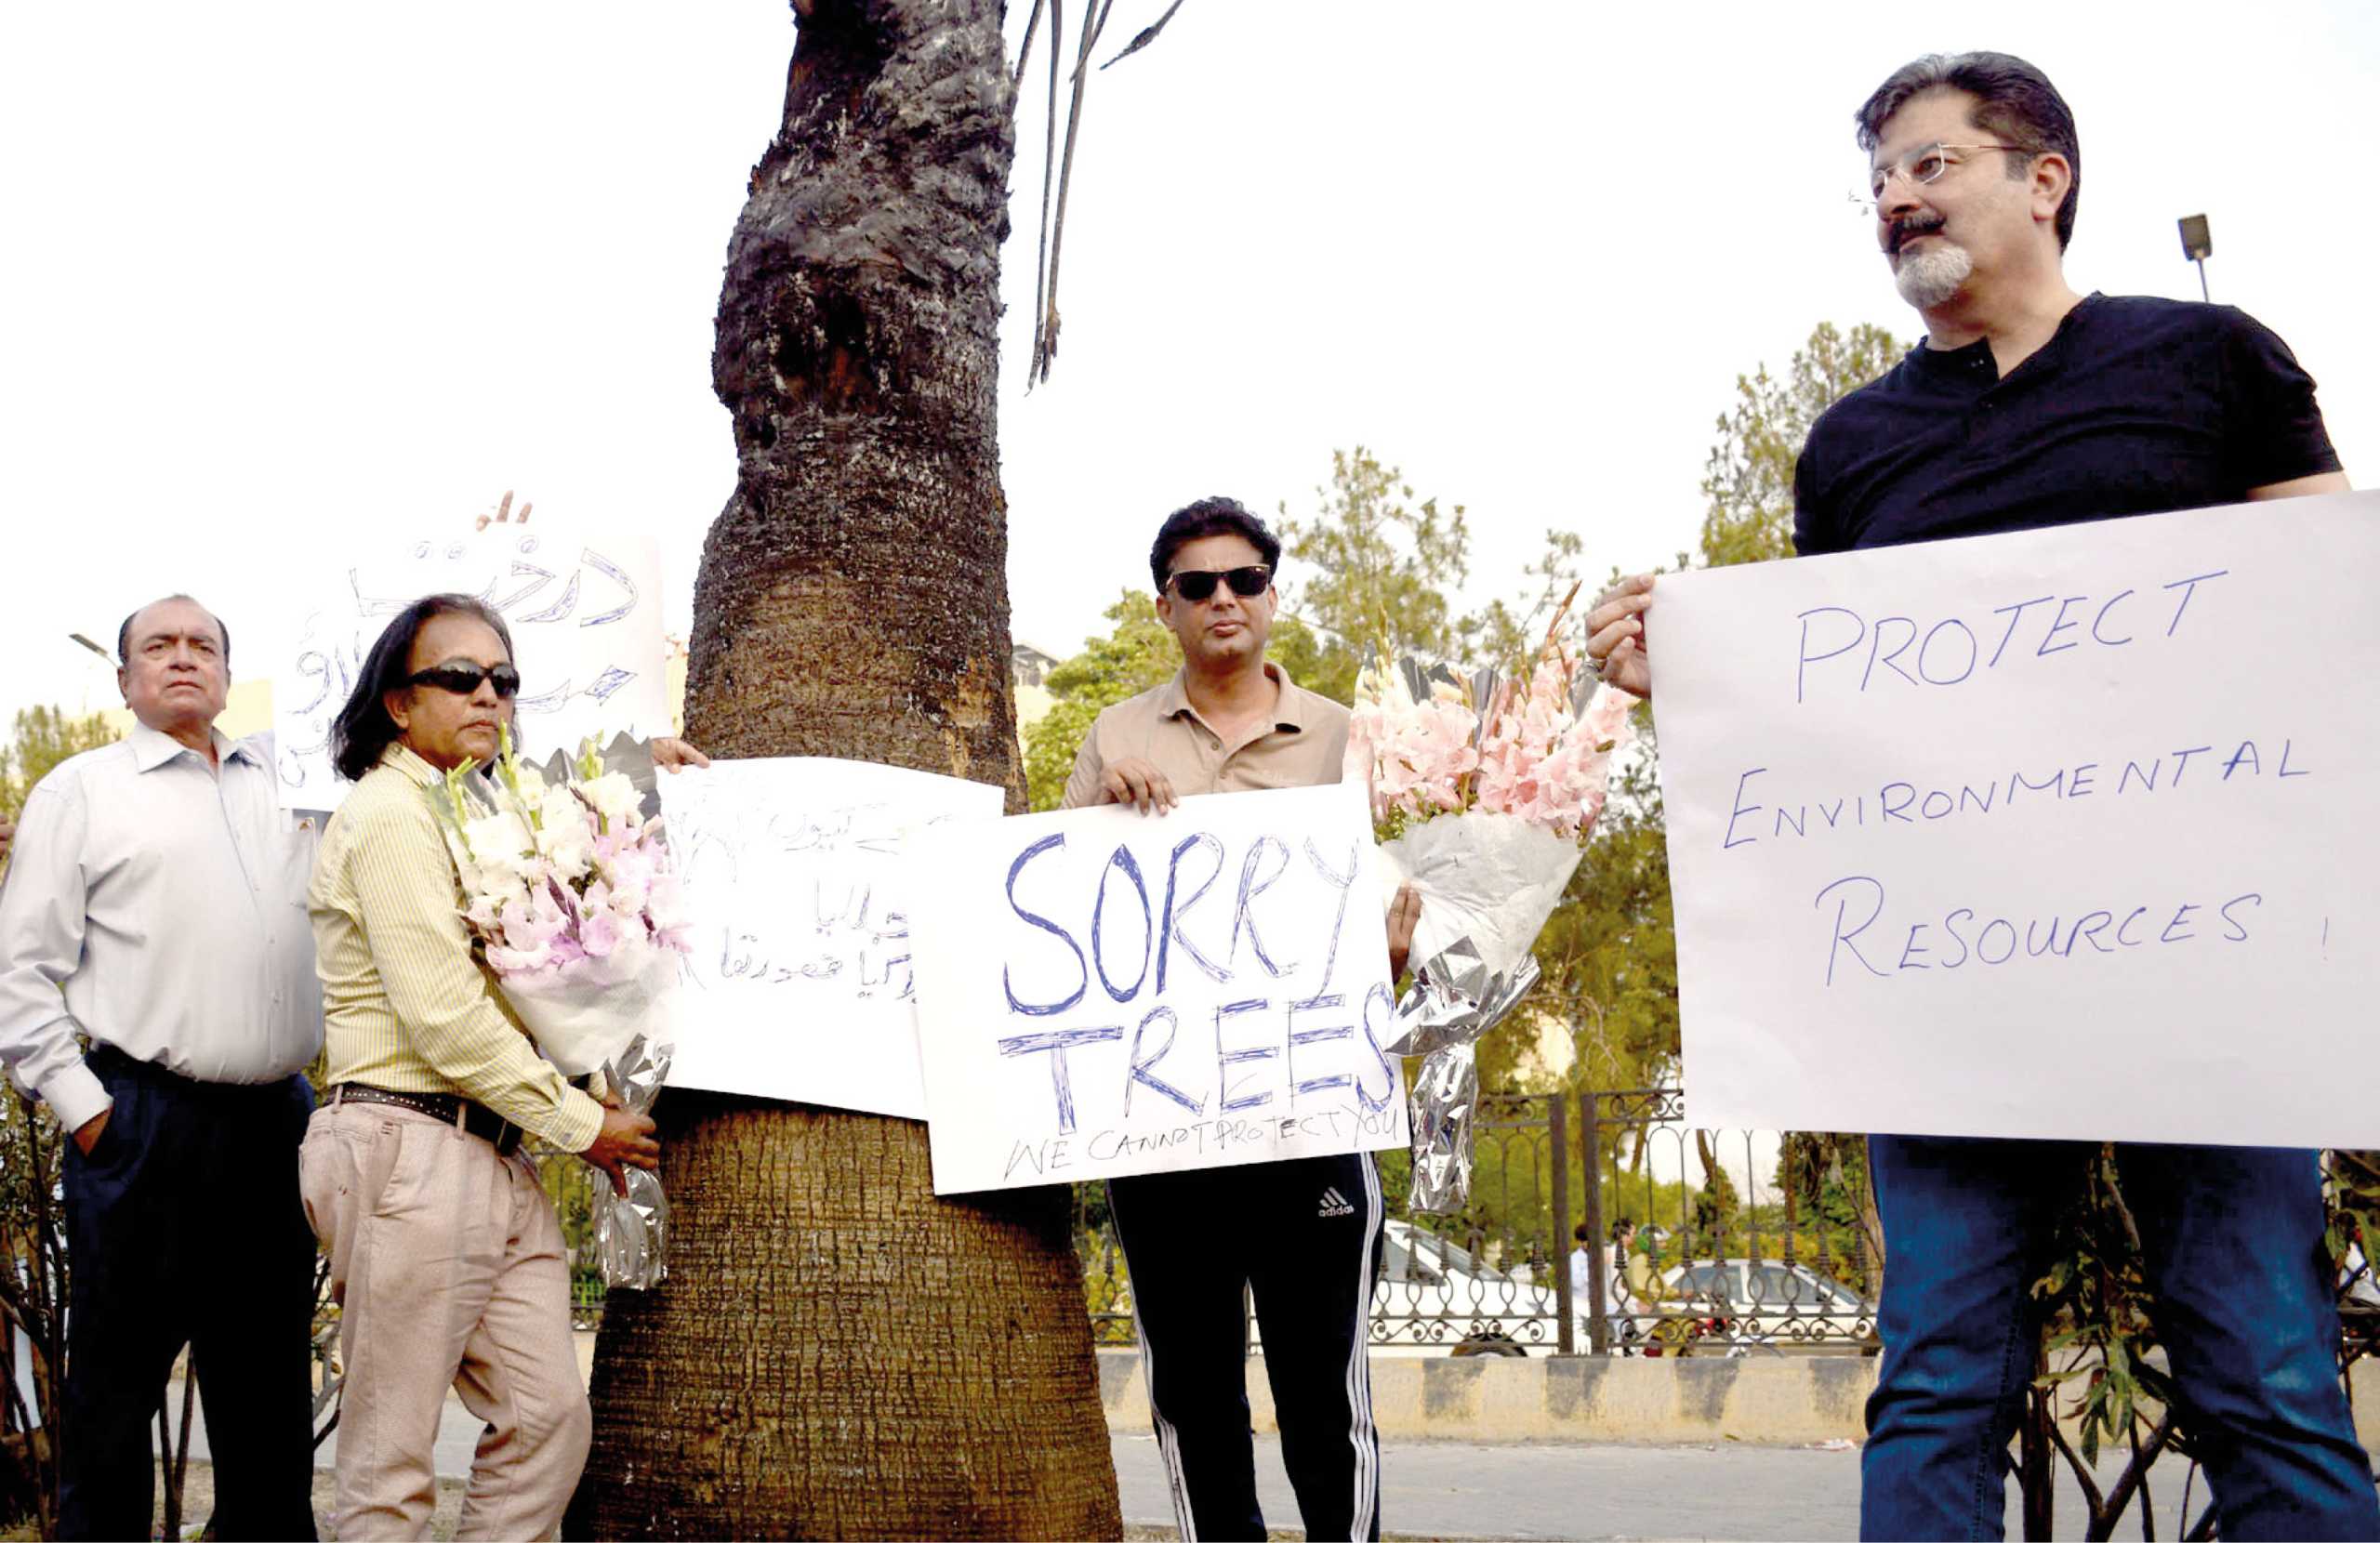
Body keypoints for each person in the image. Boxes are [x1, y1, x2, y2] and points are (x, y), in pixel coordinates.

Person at [1584, 51, 2375, 1540]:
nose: (1894, 196)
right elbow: (1833, 717)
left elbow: (2329, 626)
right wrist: (1686, 675)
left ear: (2044, 180)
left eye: (1930, 163)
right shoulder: (1854, 450)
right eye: (1878, 177)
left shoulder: (2213, 364)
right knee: (1938, 1378)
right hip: (1949, 1002)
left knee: (2265, 1369)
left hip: (2205, 969)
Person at [1063, 496, 1421, 1543]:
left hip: (1311, 1113)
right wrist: (1092, 820)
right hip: (1162, 1125)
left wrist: (1396, 951)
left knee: (1323, 1396)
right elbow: (1068, 921)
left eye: (1244, 579)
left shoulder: (1352, 739)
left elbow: (1406, 887)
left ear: (1271, 593)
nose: (1224, 598)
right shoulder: (1114, 732)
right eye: (1197, 584)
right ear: (1164, 605)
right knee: (1193, 1390)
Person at [300, 592, 687, 1540]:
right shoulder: (391, 814)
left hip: (493, 1150)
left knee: (547, 1418)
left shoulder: (472, 813)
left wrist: (646, 780)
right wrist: (583, 1123)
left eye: (505, 681)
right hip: (405, 1139)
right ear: (398, 702)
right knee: (391, 1464)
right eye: (460, 677)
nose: (489, 695)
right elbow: (441, 1014)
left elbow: (547, 919)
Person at [0, 595, 323, 1540]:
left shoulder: (292, 781)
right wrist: (88, 1110)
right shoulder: (82, 790)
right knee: (112, 1399)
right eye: (160, 645)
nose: (183, 659)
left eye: (203, 645)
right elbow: (19, 973)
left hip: (276, 1125)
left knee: (267, 1400)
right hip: (141, 1123)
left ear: (226, 671)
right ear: (125, 677)